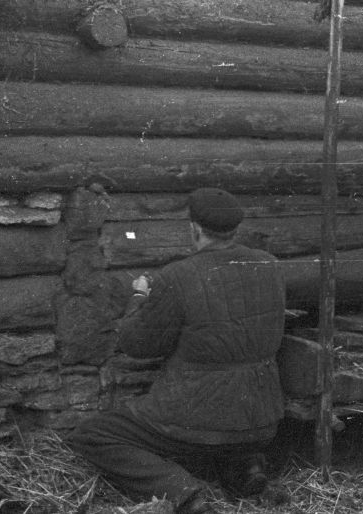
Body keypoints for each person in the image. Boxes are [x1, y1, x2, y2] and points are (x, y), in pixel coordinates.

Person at [68, 188, 286, 514]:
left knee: (94, 435)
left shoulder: (178, 276)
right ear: (235, 230)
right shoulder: (270, 266)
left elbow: (138, 345)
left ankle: (184, 494)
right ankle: (245, 471)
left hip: (201, 417)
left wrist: (140, 298)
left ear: (194, 229)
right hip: (263, 417)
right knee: (223, 433)